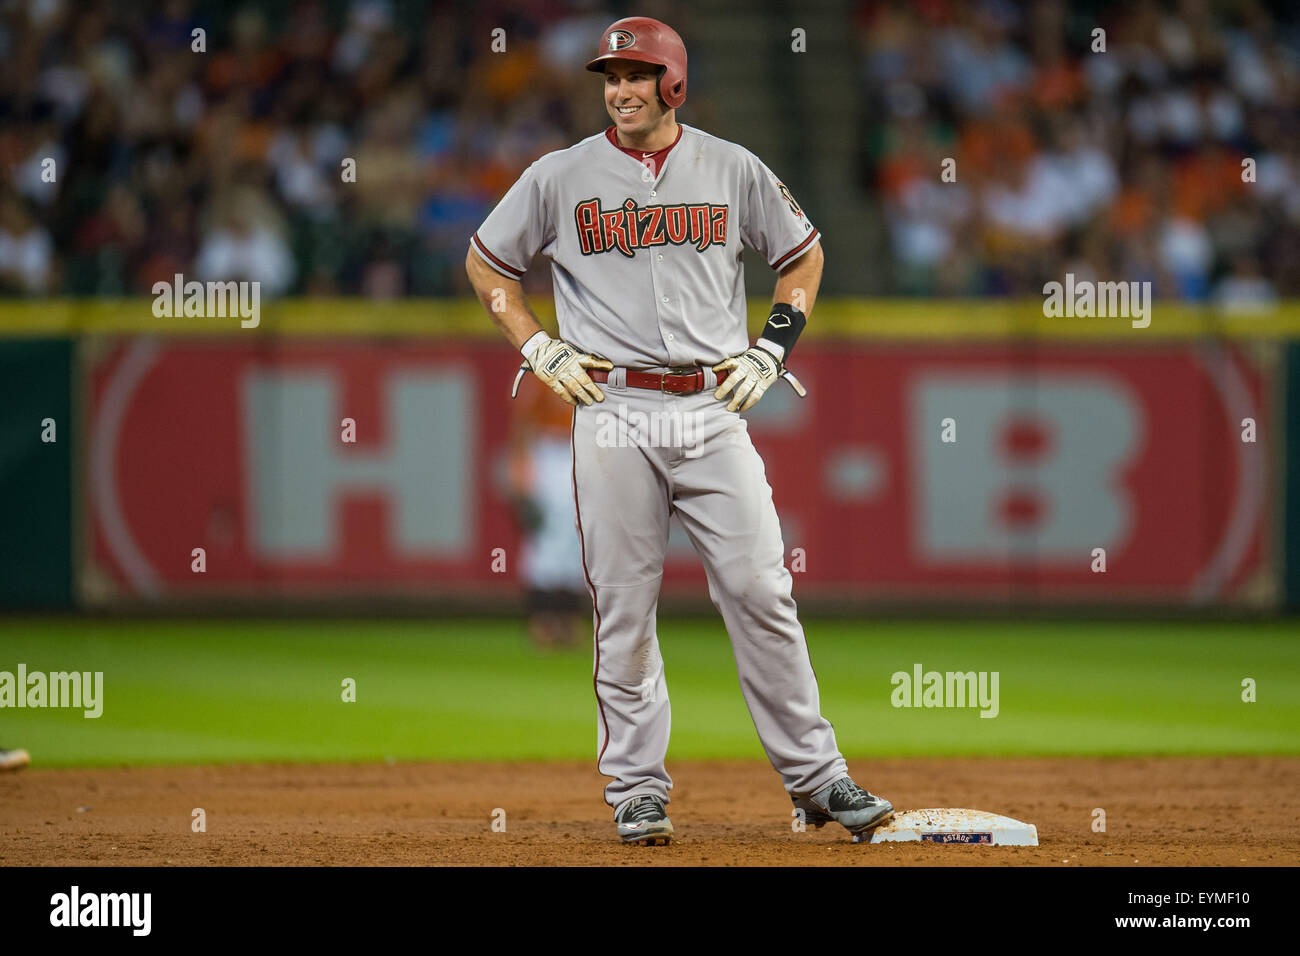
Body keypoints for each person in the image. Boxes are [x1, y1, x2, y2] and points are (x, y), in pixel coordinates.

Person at [466, 16, 893, 845]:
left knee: (762, 587)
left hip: (711, 407)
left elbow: (801, 254)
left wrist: (774, 345)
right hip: (613, 406)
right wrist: (536, 342)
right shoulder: (559, 175)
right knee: (624, 607)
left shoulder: (731, 167)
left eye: (636, 74)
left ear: (674, 82)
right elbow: (488, 262)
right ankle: (635, 789)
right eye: (610, 76)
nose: (620, 89)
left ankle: (816, 778)